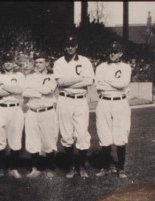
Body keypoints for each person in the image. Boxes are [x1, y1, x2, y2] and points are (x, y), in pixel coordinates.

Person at [52, 36, 94, 178]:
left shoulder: (85, 61)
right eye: (67, 45)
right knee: (66, 134)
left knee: (82, 134)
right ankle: (71, 167)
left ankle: (81, 166)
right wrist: (79, 79)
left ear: (76, 46)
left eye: (72, 45)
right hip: (64, 100)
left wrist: (69, 83)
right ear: (64, 47)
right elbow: (60, 83)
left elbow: (89, 81)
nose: (70, 48)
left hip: (80, 100)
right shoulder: (59, 62)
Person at [93, 42, 131, 178]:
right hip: (104, 101)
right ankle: (105, 167)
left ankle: (120, 168)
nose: (112, 54)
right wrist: (114, 84)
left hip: (120, 102)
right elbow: (98, 86)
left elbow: (123, 84)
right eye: (110, 51)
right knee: (104, 134)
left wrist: (107, 82)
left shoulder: (126, 67)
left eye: (115, 52)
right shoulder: (101, 67)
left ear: (121, 53)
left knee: (121, 134)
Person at [22, 55, 58, 178]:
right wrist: (39, 92)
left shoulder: (52, 76)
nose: (38, 65)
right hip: (32, 111)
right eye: (36, 62)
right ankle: (35, 168)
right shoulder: (30, 76)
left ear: (47, 63)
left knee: (48, 140)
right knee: (32, 140)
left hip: (47, 111)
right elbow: (25, 92)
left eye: (41, 62)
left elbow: (49, 90)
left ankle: (49, 168)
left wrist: (33, 88)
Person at [0, 59, 26, 178]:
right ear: (2, 63)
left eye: (10, 61)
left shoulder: (20, 75)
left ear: (14, 63)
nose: (7, 63)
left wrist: (3, 87)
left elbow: (20, 90)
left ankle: (13, 168)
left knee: (15, 138)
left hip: (15, 108)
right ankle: (1, 167)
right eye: (5, 61)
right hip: (0, 108)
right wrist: (12, 91)